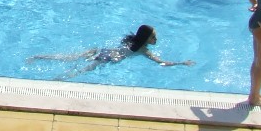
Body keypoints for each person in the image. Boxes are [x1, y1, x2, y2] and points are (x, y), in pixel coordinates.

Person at [27, 25, 193, 78]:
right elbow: (161, 62)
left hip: (101, 51)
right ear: (146, 39)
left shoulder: (130, 40)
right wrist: (181, 63)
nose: (155, 40)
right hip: (107, 58)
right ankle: (54, 80)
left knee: (68, 58)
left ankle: (37, 57)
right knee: (76, 72)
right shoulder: (143, 50)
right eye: (153, 38)